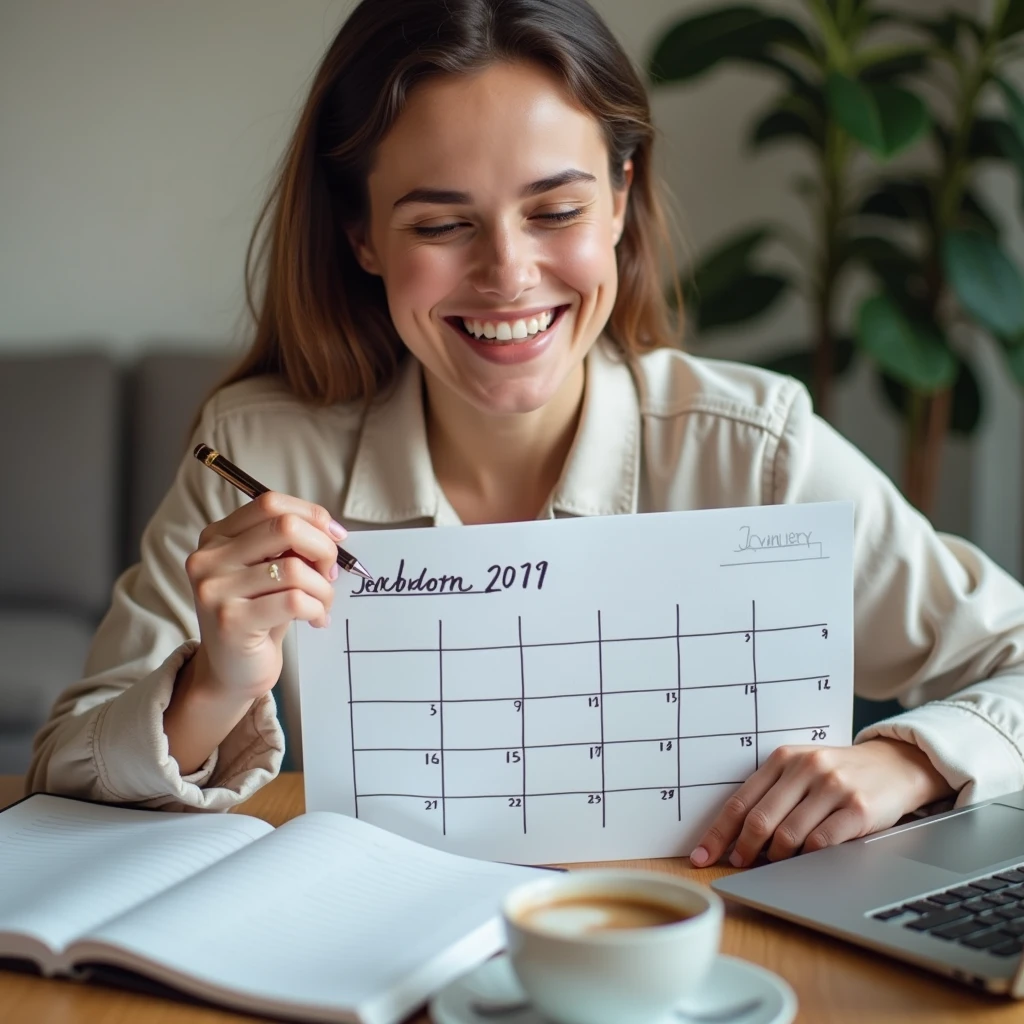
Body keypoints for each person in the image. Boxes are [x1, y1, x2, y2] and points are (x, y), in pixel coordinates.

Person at [27, 0, 1024, 870]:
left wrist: (905, 759)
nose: (507, 275)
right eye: (438, 226)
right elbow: (61, 767)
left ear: (623, 200)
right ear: (360, 233)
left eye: (555, 210)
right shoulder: (259, 453)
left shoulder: (752, 448)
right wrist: (215, 683)